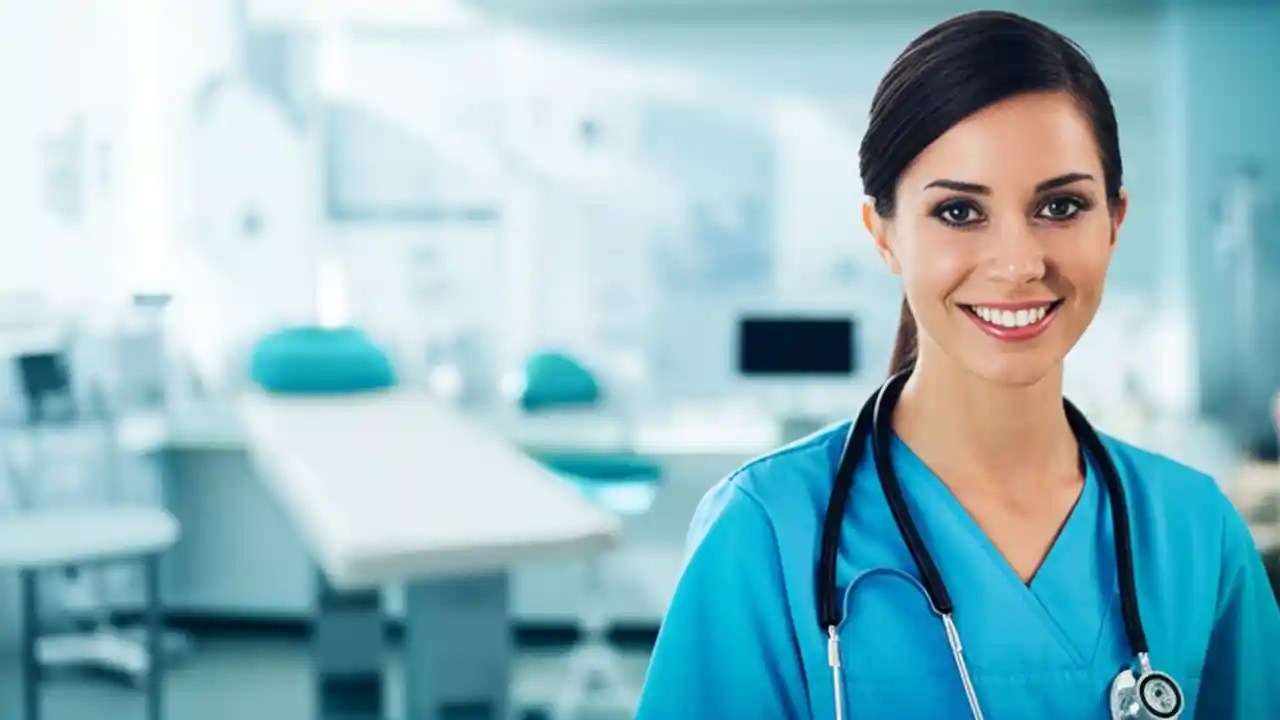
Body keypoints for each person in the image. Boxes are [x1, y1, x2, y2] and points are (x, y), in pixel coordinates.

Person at [635, 10, 1280, 720]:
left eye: (1061, 205)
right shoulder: (765, 533)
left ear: (1114, 222)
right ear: (882, 235)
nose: (1017, 264)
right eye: (959, 213)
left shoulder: (1196, 534)